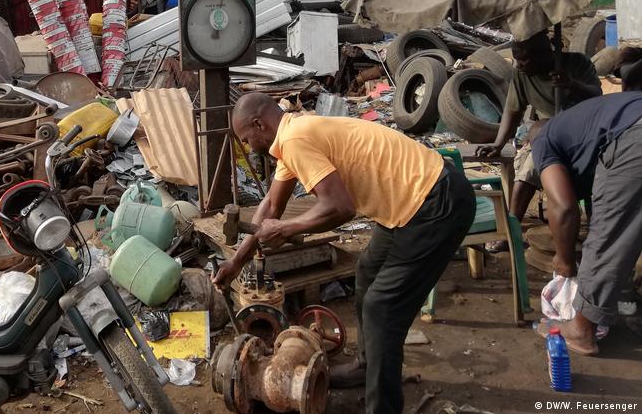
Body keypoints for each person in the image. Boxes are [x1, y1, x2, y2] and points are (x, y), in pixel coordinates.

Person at [212, 93, 476, 414]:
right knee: (367, 273)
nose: (249, 146)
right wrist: (236, 261)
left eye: (246, 138)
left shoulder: (295, 139)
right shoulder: (292, 136)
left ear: (259, 124)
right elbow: (270, 206)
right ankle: (367, 367)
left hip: (435, 201)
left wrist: (286, 229)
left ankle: (383, 408)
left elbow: (340, 207)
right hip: (409, 204)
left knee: (382, 308)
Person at [530, 47, 642, 355]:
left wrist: (565, 259)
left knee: (606, 236)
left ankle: (581, 329)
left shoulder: (544, 139)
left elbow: (564, 207)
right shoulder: (587, 125)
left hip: (635, 136)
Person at [477, 32, 601, 251]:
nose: (519, 64)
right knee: (529, 167)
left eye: (524, 59)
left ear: (545, 54)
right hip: (545, 137)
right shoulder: (521, 75)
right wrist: (498, 143)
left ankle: (592, 239)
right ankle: (511, 231)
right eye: (516, 58)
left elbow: (597, 95)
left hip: (582, 135)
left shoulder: (576, 63)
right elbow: (513, 110)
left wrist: (572, 84)